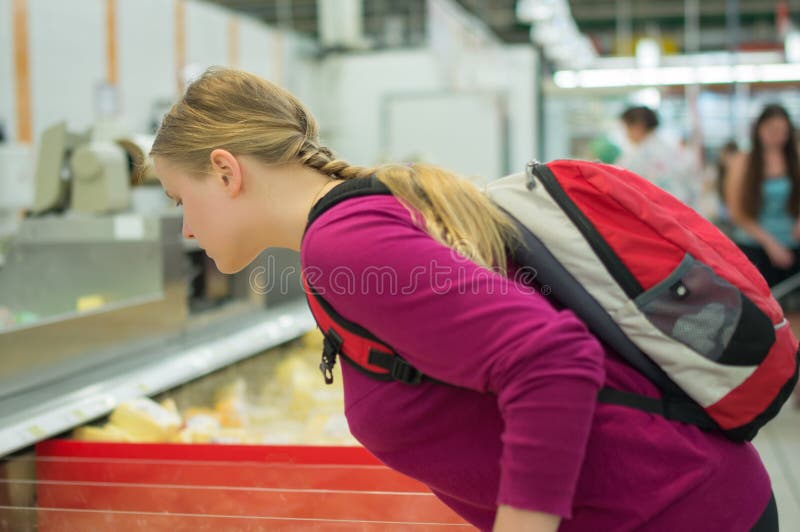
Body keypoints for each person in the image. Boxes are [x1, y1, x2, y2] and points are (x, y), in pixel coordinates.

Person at [149, 67, 777, 532]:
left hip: (672, 509)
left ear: (227, 171)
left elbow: (552, 358)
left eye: (182, 201)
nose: (186, 230)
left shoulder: (342, 245)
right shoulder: (359, 221)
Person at [725, 104, 800, 289]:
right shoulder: (742, 162)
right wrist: (770, 244)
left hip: (793, 240)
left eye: (784, 131)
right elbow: (736, 213)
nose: (779, 137)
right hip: (755, 244)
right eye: (772, 130)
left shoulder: (795, 157)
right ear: (759, 129)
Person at [616, 106, 700, 208]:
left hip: (660, 213)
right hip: (684, 212)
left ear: (639, 126)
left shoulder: (640, 155)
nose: (626, 135)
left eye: (626, 128)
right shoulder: (671, 148)